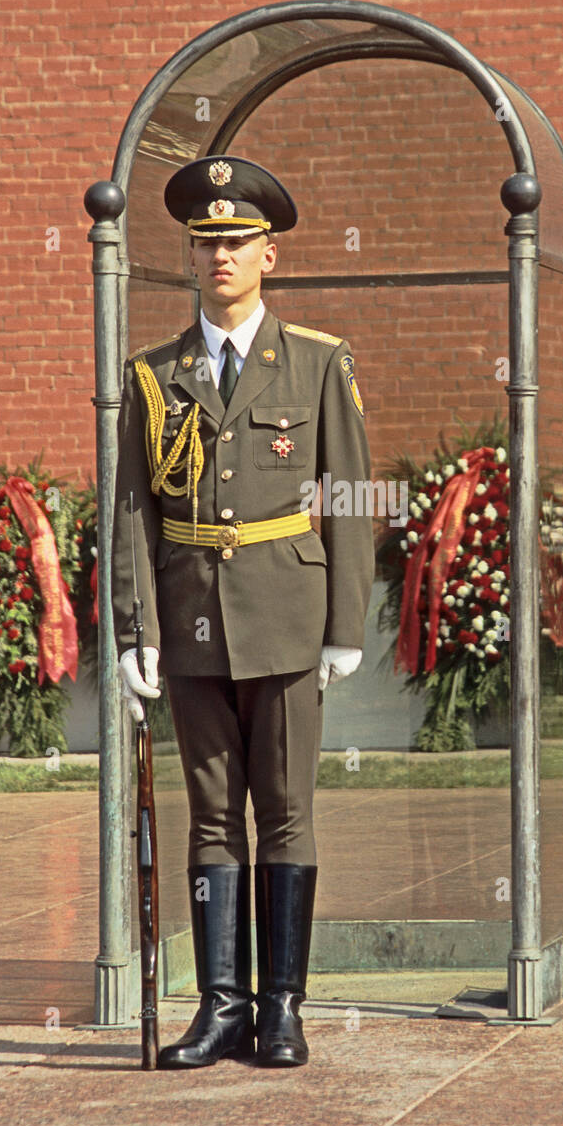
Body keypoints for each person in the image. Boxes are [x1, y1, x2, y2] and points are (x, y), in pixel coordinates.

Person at [110, 155, 374, 1068]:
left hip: (289, 616)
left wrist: (345, 625)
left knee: (287, 811)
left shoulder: (317, 362)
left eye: (236, 241)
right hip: (191, 621)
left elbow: (348, 496)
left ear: (270, 255)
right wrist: (135, 631)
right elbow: (134, 509)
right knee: (213, 815)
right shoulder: (155, 375)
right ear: (189, 256)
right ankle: (222, 1007)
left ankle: (282, 1009)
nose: (219, 256)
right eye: (205, 241)